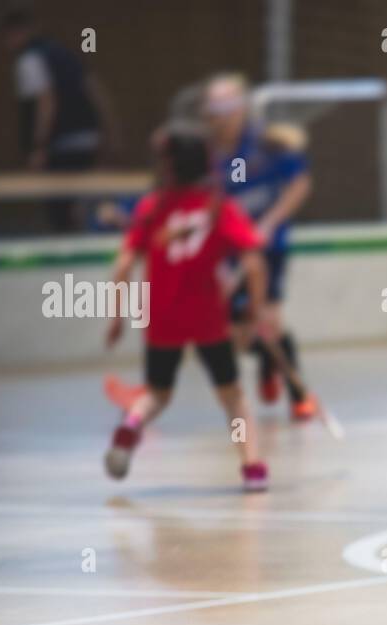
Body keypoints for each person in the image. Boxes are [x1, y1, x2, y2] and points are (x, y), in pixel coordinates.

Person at [104, 121, 270, 492]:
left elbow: (123, 266)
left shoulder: (151, 208)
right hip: (207, 315)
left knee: (158, 393)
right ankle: (253, 468)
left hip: (162, 316)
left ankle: (132, 424)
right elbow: (255, 261)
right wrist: (253, 312)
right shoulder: (217, 208)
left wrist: (117, 317)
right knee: (232, 396)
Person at [203, 73, 319, 421]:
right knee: (237, 335)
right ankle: (268, 359)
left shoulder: (267, 145)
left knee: (269, 318)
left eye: (228, 106)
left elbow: (300, 184)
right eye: (215, 108)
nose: (221, 115)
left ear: (242, 108)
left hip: (268, 247)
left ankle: (299, 395)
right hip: (231, 250)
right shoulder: (209, 155)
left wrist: (268, 223)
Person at [0, 7, 118, 231]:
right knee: (85, 206)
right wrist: (107, 132)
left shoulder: (29, 58)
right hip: (88, 138)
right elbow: (96, 92)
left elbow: (47, 100)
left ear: (16, 33)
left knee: (61, 211)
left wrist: (38, 146)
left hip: (60, 145)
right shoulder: (66, 54)